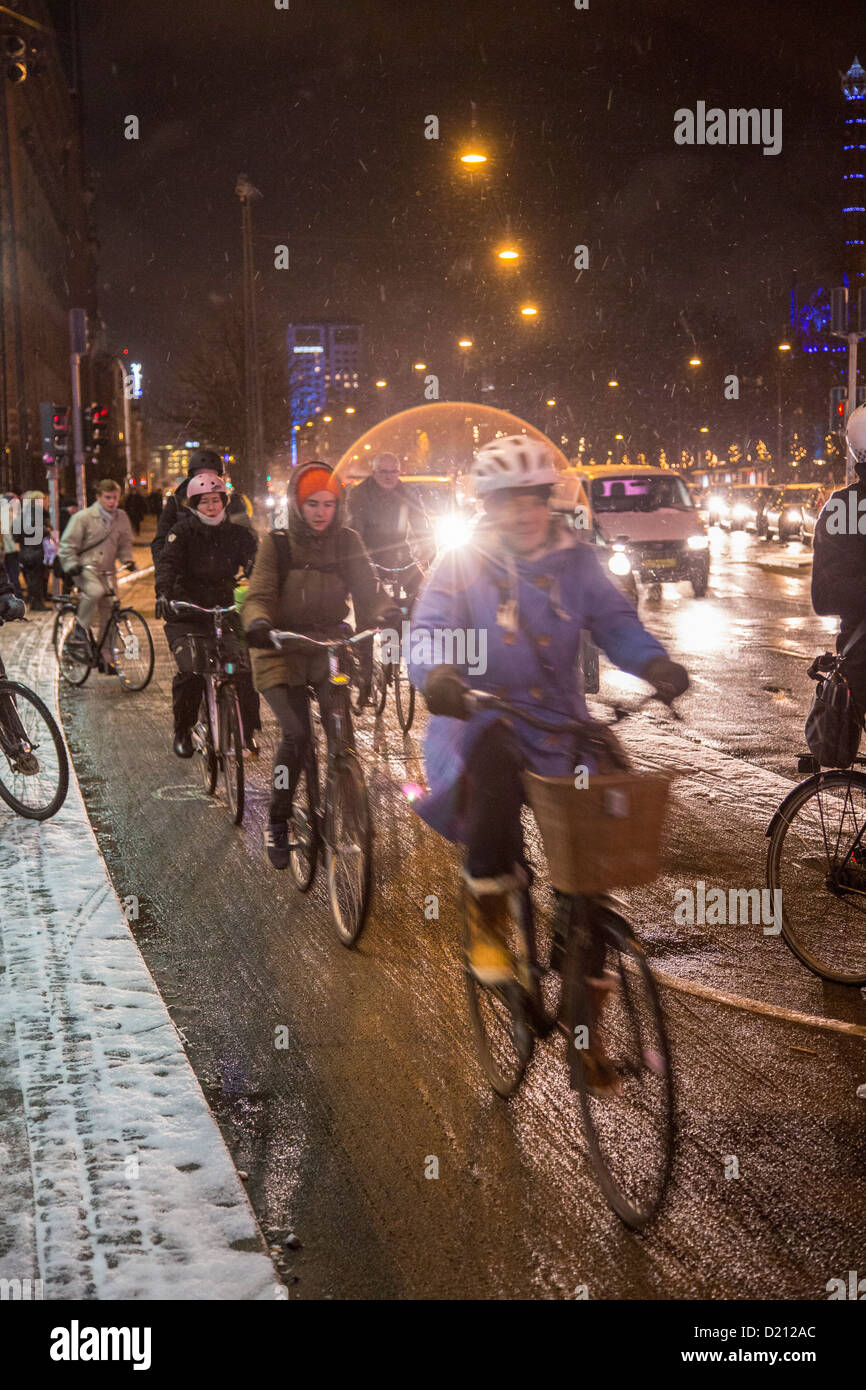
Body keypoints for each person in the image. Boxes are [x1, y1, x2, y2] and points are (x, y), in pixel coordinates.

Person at [407, 435, 689, 1088]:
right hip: (485, 718)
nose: (526, 514)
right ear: (490, 507)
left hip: (563, 728)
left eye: (535, 500)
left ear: (547, 502)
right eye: (511, 502)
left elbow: (616, 621)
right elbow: (427, 631)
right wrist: (439, 675)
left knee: (592, 872)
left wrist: (653, 662)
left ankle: (585, 1037)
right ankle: (486, 935)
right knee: (495, 802)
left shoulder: (577, 559)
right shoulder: (462, 566)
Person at [243, 460, 384, 869]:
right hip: (280, 645)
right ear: (297, 505)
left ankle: (346, 803)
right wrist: (258, 623)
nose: (321, 512)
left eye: (329, 503)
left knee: (341, 728)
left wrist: (384, 610)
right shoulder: (278, 544)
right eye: (312, 504)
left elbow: (367, 589)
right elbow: (260, 592)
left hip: (328, 645)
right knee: (297, 734)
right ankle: (279, 819)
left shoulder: (348, 541)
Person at [155, 471, 260, 758]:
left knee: (243, 668)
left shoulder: (237, 533)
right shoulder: (183, 532)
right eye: (205, 502)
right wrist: (163, 593)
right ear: (194, 505)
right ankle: (183, 729)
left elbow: (255, 559)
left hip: (224, 606)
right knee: (191, 670)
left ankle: (247, 731)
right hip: (188, 608)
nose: (212, 506)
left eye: (216, 500)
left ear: (224, 502)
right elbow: (168, 563)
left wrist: (253, 572)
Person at [812, 404, 866, 714]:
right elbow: (826, 596)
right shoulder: (840, 508)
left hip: (857, 659)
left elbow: (825, 596)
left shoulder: (838, 509)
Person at [58, 478, 136, 672]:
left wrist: (127, 560)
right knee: (94, 592)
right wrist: (71, 565)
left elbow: (125, 542)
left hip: (108, 571)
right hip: (86, 568)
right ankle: (80, 628)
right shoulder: (83, 517)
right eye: (108, 497)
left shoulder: (122, 517)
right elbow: (67, 545)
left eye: (115, 498)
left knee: (110, 614)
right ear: (98, 497)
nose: (112, 502)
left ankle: (106, 656)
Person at [346, 451, 434, 605]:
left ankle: (418, 624)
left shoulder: (408, 492)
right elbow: (355, 532)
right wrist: (359, 564)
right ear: (374, 473)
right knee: (367, 599)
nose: (389, 476)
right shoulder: (359, 495)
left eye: (394, 472)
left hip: (400, 554)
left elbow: (422, 527)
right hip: (370, 554)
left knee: (425, 595)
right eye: (383, 471)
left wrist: (428, 557)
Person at [152, 449, 226, 565]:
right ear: (192, 477)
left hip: (221, 575)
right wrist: (166, 570)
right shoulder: (176, 503)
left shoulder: (229, 503)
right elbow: (160, 542)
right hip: (183, 576)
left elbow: (246, 536)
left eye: (211, 475)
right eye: (201, 475)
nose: (206, 480)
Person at [18, 490, 49, 611]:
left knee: (33, 578)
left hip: (26, 550)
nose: (46, 502)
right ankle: (37, 603)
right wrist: (47, 531)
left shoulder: (24, 513)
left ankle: (36, 602)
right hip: (34, 550)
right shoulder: (35, 513)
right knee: (36, 578)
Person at [1, 492, 21, 597]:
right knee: (13, 574)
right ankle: (16, 595)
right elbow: (8, 535)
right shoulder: (7, 514)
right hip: (10, 550)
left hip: (8, 549)